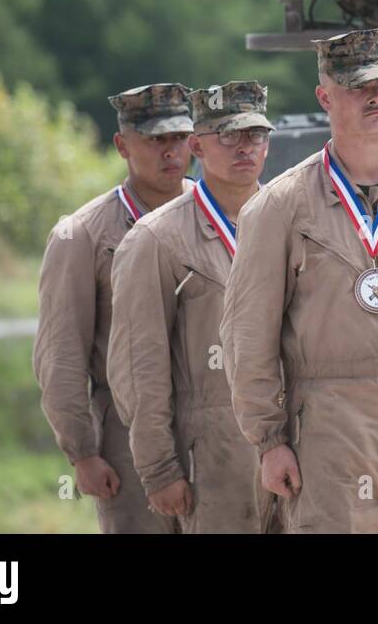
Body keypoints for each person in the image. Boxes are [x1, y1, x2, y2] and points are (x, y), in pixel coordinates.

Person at [221, 30, 378, 533]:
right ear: (324, 96)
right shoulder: (279, 207)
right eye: (357, 84)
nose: (375, 95)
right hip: (328, 427)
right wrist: (269, 440)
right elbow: (247, 335)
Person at [109, 81, 274, 532]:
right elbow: (138, 365)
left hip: (298, 443)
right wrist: (159, 468)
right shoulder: (155, 239)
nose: (245, 148)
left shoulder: (293, 218)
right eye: (229, 136)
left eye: (255, 135)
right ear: (197, 145)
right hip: (214, 451)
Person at [33, 83, 192, 533]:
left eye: (178, 138)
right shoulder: (83, 234)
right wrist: (82, 452)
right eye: (154, 140)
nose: (170, 152)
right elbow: (61, 354)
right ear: (122, 145)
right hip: (128, 433)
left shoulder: (217, 213)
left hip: (216, 425)